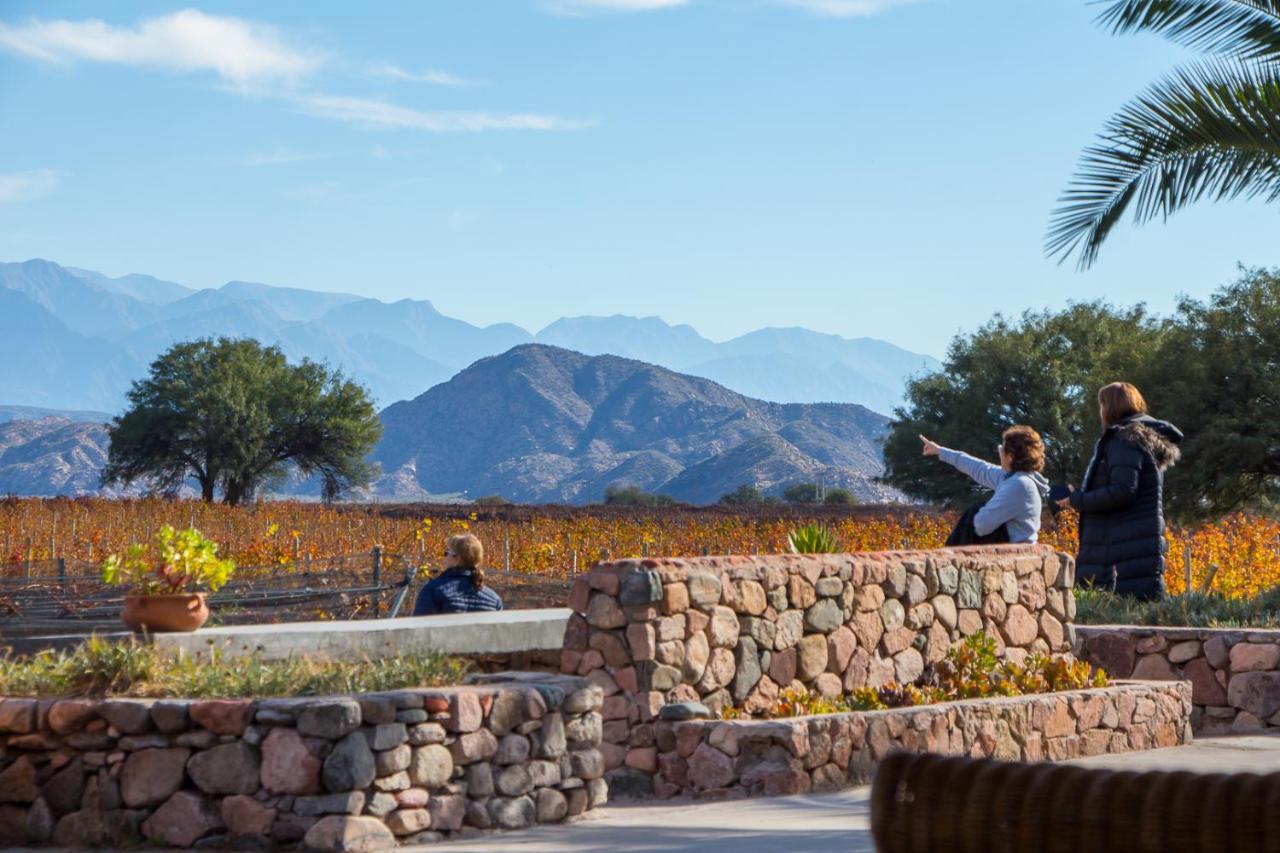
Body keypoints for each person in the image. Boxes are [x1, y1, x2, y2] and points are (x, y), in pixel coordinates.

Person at [1055, 382, 1182, 600]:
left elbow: (1123, 491)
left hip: (1116, 553)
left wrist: (1077, 499)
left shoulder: (1124, 441)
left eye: (1101, 405)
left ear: (1109, 407)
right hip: (1134, 550)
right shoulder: (1140, 440)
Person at [920, 426, 1050, 544]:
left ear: (1010, 456)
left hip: (1012, 554)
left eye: (1001, 449)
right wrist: (940, 451)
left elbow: (981, 525)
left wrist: (976, 514)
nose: (1000, 453)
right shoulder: (1014, 478)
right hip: (1012, 550)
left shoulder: (1019, 485)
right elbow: (980, 469)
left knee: (974, 511)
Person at [412, 533, 504, 616]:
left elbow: (418, 631)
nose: (444, 557)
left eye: (446, 553)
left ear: (457, 559)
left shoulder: (432, 591)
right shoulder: (493, 600)